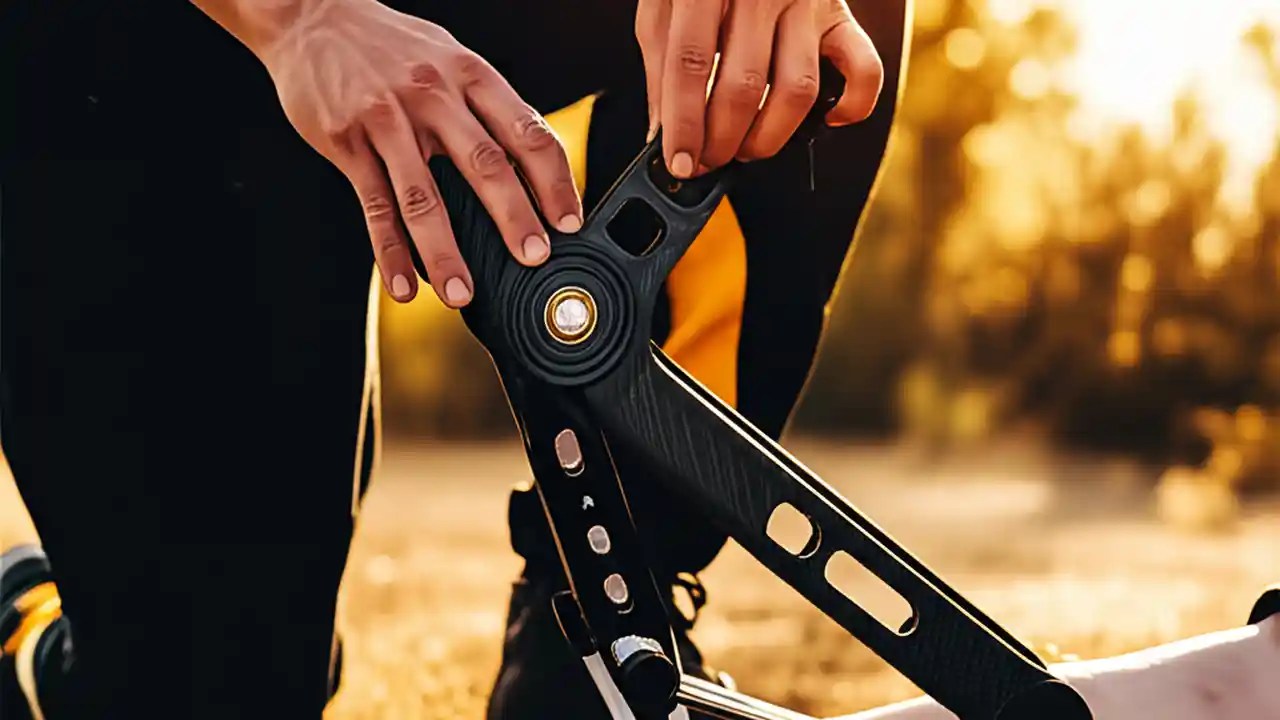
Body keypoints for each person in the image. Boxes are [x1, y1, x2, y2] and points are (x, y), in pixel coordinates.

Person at [0, 1, 1275, 719]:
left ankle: (595, 622)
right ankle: (33, 626)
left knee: (798, 19)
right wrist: (301, 21)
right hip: (127, 51)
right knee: (211, 694)